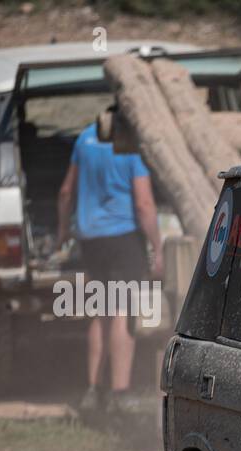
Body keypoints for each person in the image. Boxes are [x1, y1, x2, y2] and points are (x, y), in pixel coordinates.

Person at [56, 118, 162, 412]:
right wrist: (157, 247)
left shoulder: (85, 138)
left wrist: (63, 230)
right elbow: (144, 204)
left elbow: (66, 192)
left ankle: (93, 389)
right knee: (122, 313)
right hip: (123, 238)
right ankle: (120, 392)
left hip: (90, 240)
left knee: (100, 311)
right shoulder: (130, 146)